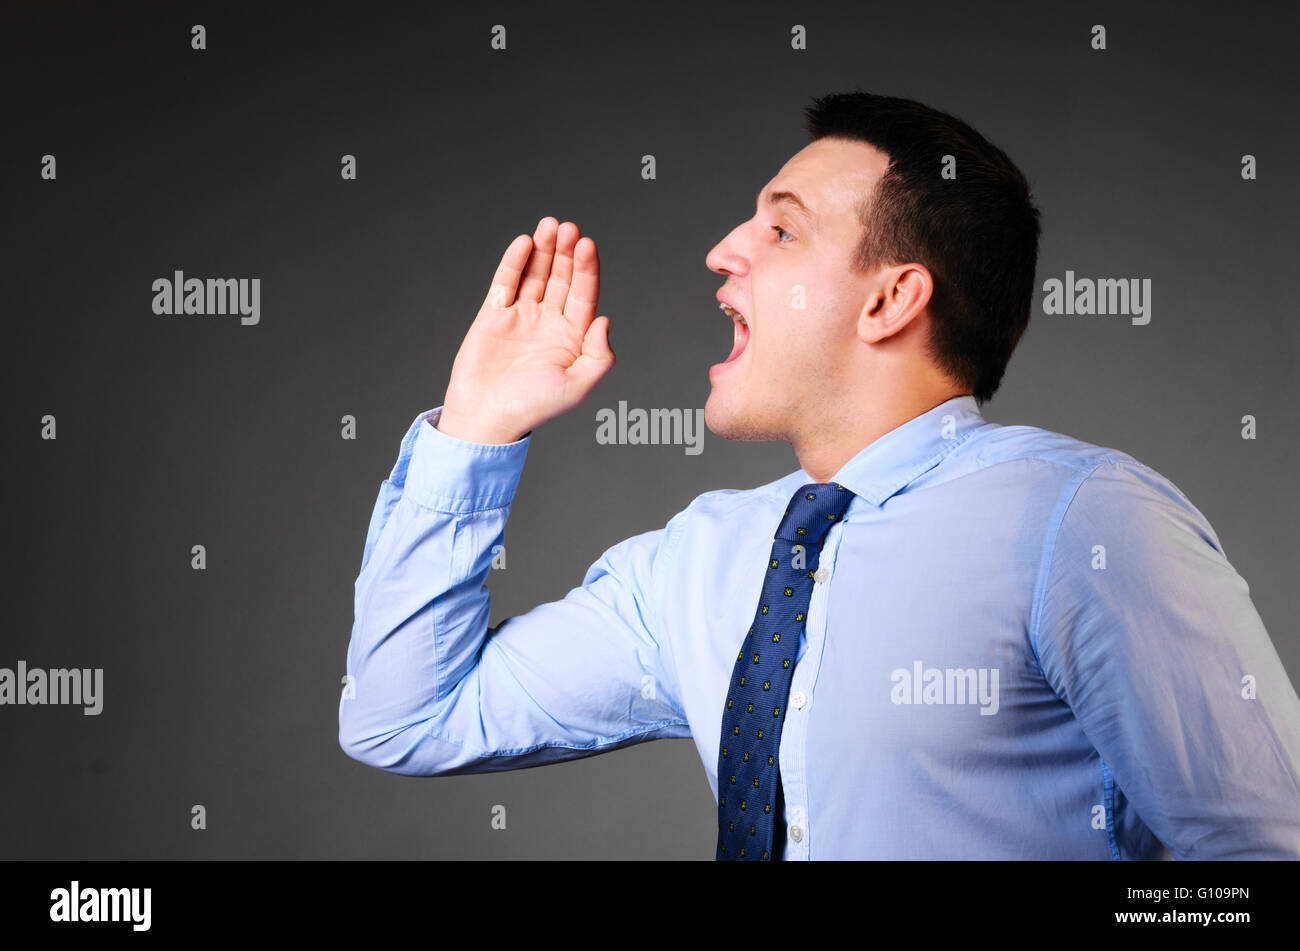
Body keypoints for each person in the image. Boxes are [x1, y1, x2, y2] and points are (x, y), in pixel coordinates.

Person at [338, 91, 1300, 860]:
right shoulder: (698, 562)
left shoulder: (1087, 523)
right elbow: (409, 718)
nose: (723, 252)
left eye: (783, 230)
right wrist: (474, 429)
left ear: (890, 299)